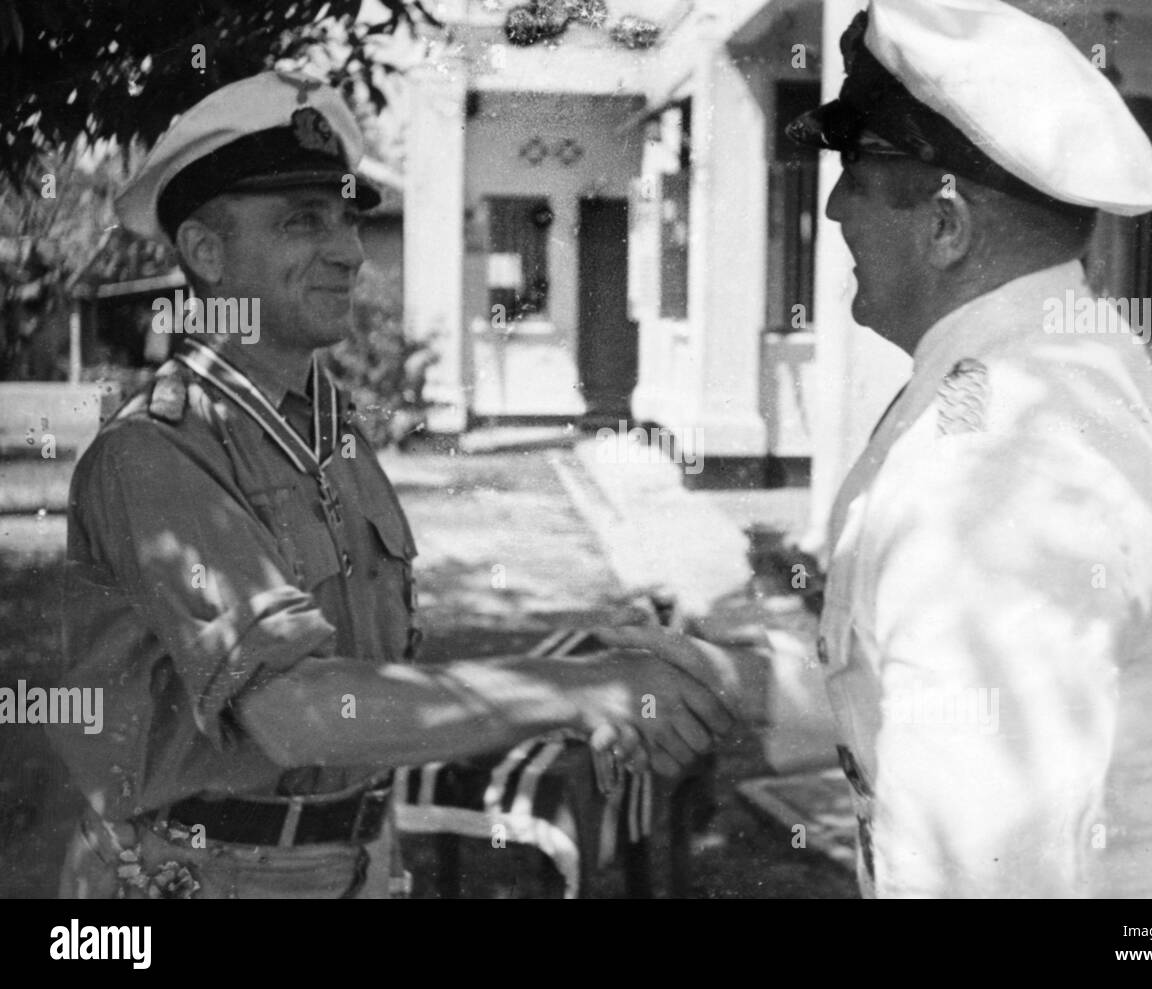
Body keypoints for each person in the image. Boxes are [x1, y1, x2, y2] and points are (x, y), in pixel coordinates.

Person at [47, 70, 737, 899]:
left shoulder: (326, 431)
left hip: (359, 857)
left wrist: (590, 690)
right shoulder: (156, 456)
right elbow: (297, 711)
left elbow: (371, 678)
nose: (347, 250)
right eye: (305, 222)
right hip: (200, 872)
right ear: (205, 252)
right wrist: (579, 687)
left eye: (346, 219)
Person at [768, 0, 1152, 898]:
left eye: (857, 172)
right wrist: (732, 678)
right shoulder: (1054, 362)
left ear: (946, 227)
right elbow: (922, 676)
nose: (834, 205)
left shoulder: (994, 471)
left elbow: (987, 870)